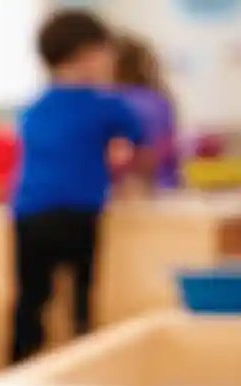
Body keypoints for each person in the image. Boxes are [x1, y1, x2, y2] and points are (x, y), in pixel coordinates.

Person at [10, 10, 147, 362]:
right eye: (106, 51)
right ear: (87, 55)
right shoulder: (106, 105)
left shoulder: (33, 108)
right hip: (78, 213)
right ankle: (86, 362)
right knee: (83, 299)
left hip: (29, 214)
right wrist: (128, 177)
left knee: (31, 298)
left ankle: (16, 369)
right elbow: (137, 140)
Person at [114, 34, 180, 191]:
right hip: (166, 185)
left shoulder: (119, 101)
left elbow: (142, 155)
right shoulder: (159, 99)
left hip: (136, 189)